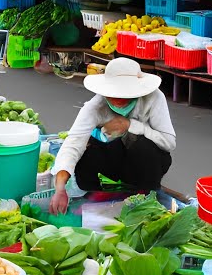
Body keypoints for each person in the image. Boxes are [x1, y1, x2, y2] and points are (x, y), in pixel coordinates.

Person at [46, 57, 176, 215]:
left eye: (124, 94)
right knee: (87, 147)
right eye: (113, 94)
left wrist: (131, 125)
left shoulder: (154, 98)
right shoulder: (96, 106)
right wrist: (60, 188)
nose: (117, 99)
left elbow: (169, 142)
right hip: (114, 161)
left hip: (145, 165)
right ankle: (95, 196)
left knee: (143, 147)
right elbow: (73, 143)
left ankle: (145, 193)